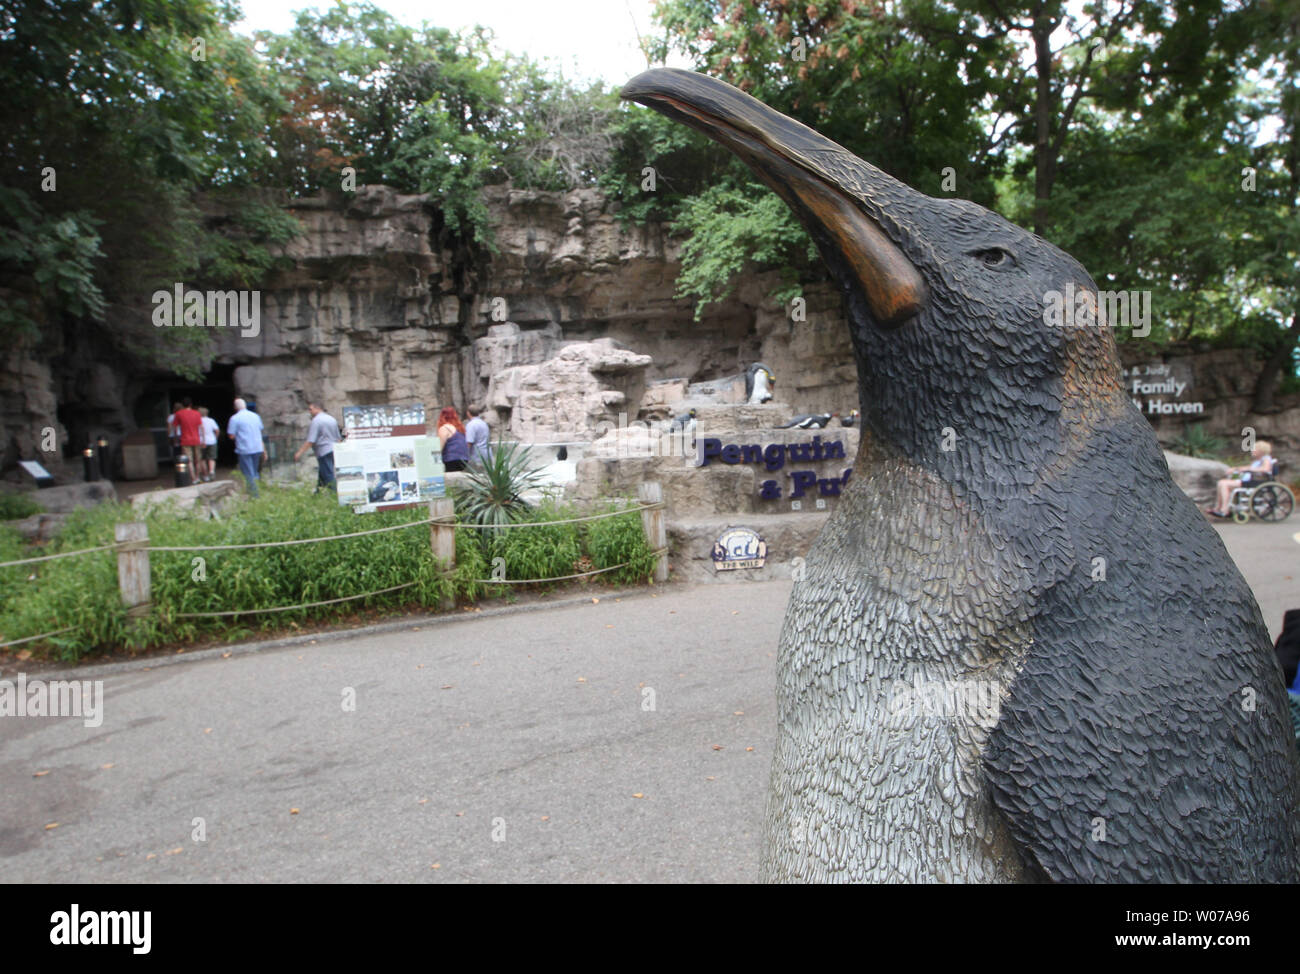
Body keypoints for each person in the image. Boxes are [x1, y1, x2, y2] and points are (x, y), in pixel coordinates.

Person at [1208, 440, 1275, 518]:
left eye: (1254, 449)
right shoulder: (1258, 461)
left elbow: (1265, 469)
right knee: (1220, 483)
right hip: (1251, 480)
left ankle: (1224, 510)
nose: (1252, 450)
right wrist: (1236, 469)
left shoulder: (1266, 459)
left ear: (1261, 450)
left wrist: (1248, 470)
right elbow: (1249, 467)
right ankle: (1218, 508)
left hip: (1256, 482)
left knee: (1223, 484)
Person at [293, 402, 342, 492]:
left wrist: (299, 453)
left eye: (311, 409)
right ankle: (317, 494)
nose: (309, 411)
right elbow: (338, 438)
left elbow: (311, 440)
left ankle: (335, 495)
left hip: (323, 451)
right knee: (323, 474)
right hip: (334, 449)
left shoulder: (316, 421)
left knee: (328, 475)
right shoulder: (331, 419)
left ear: (317, 408)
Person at [227, 397, 267, 497]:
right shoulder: (255, 416)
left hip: (244, 448)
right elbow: (260, 430)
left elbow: (231, 435)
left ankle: (255, 495)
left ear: (235, 408)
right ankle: (257, 490)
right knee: (254, 471)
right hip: (257, 447)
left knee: (248, 473)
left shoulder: (235, 418)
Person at [174, 397, 203, 479]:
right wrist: (203, 439)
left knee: (189, 460)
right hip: (196, 439)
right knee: (198, 459)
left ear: (182, 405)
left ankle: (193, 477)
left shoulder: (179, 414)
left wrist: (176, 438)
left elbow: (175, 428)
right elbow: (201, 427)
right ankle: (198, 477)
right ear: (191, 404)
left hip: (185, 440)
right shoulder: (197, 413)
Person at [437, 407, 470, 472]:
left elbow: (439, 447)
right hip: (464, 459)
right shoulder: (460, 429)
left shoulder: (445, 428)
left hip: (451, 459)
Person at [198, 406, 220, 482]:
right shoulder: (211, 420)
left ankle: (205, 475)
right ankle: (212, 471)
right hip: (212, 441)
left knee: (202, 459)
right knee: (211, 458)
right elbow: (217, 430)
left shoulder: (198, 421)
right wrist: (215, 438)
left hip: (201, 441)